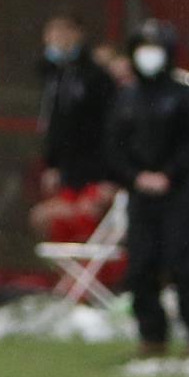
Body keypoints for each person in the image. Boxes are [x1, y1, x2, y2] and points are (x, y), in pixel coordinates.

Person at [108, 19, 189, 357]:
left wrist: (170, 174)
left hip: (179, 191)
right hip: (140, 194)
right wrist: (134, 177)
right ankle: (151, 335)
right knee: (141, 265)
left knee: (185, 264)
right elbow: (113, 146)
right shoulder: (127, 97)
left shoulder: (186, 92)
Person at [32, 13, 117, 243]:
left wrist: (108, 177)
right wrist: (53, 164)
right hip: (68, 172)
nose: (55, 39)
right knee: (51, 223)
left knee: (84, 222)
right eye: (51, 33)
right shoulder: (54, 76)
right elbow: (57, 128)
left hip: (94, 173)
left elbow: (108, 130)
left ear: (77, 34)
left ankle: (90, 276)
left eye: (62, 31)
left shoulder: (96, 78)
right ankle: (71, 278)